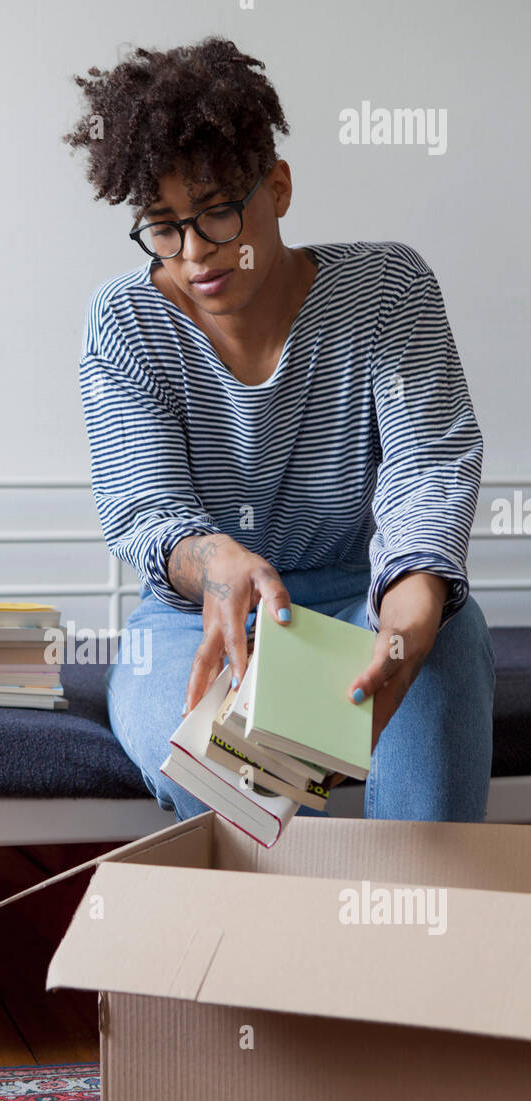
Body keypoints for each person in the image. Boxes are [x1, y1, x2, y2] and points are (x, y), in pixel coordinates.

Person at [63, 37, 495, 823]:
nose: (195, 255)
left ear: (279, 188)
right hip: (201, 618)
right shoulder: (126, 323)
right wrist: (219, 562)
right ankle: (280, 937)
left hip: (365, 593)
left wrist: (410, 607)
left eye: (219, 212)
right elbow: (146, 510)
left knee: (447, 637)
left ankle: (424, 920)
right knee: (217, 771)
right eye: (163, 227)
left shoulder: (388, 291)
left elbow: (427, 465)